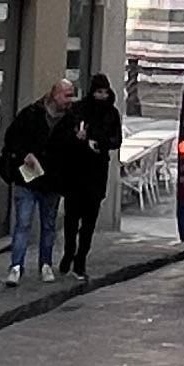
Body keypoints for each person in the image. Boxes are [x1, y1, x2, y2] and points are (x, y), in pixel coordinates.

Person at [0, 75, 74, 284]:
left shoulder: (69, 120)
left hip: (52, 181)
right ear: (55, 94)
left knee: (48, 225)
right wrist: (25, 155)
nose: (70, 100)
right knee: (23, 223)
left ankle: (45, 264)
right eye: (67, 96)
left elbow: (71, 150)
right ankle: (16, 266)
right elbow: (12, 138)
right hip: (28, 178)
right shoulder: (31, 114)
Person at [62, 71, 123, 276]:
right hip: (76, 170)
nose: (102, 96)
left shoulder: (112, 114)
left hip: (97, 172)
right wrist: (78, 138)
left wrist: (100, 143)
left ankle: (81, 259)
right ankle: (69, 252)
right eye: (98, 92)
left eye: (105, 92)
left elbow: (117, 140)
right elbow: (66, 134)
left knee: (88, 222)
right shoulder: (78, 110)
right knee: (71, 219)